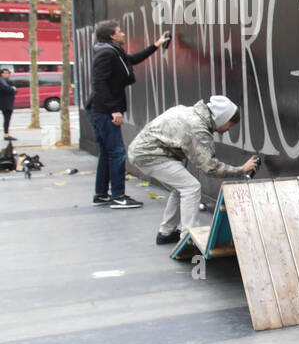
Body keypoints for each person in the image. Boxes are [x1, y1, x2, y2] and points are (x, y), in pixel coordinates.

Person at [126, 95, 259, 245]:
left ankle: (166, 232)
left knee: (182, 187)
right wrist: (241, 170)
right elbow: (210, 167)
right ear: (223, 118)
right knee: (191, 187)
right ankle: (189, 238)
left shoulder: (191, 113)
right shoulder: (197, 128)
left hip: (145, 151)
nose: (230, 129)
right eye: (230, 124)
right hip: (148, 155)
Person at [87, 20, 170, 209]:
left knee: (107, 153)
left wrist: (156, 45)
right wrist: (113, 109)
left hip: (100, 109)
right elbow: (99, 83)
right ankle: (118, 196)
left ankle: (101, 194)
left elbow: (131, 59)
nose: (123, 33)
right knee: (116, 152)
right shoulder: (107, 53)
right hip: (103, 111)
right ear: (112, 36)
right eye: (119, 31)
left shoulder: (112, 51)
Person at [0, 68, 14, 137]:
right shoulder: (1, 81)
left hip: (9, 102)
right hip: (4, 102)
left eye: (7, 73)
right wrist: (12, 89)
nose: (6, 74)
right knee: (6, 118)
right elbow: (6, 89)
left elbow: (14, 90)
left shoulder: (8, 81)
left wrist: (12, 89)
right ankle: (6, 134)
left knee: (7, 118)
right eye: (4, 73)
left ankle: (6, 134)